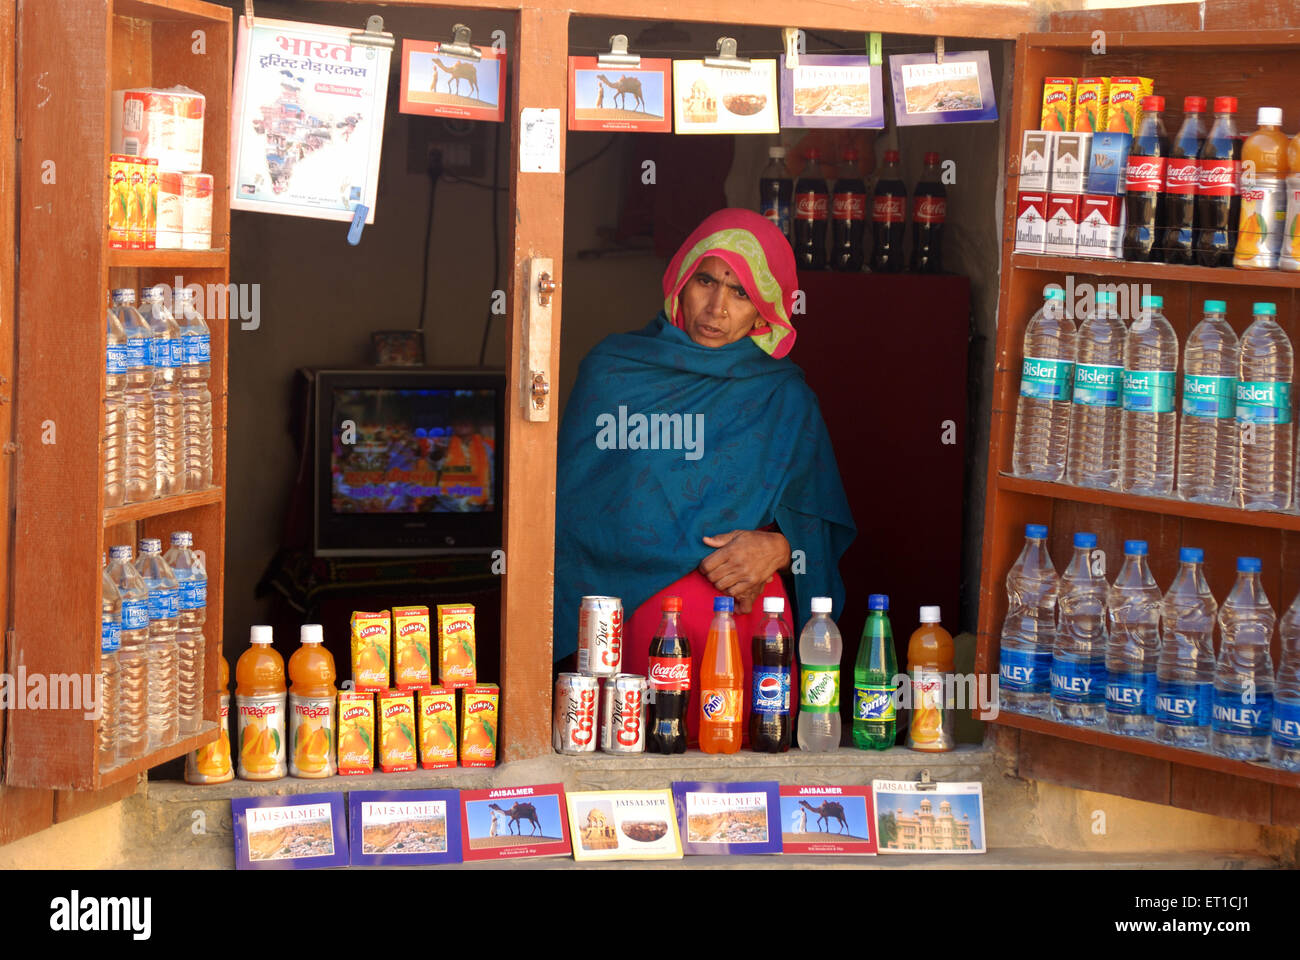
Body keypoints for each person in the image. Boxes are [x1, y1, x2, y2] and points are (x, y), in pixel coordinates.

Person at [553, 207, 856, 744]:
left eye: (741, 293)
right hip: (626, 629)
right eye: (706, 281)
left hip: (742, 623)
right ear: (679, 283)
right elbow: (564, 516)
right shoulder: (613, 372)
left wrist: (780, 549)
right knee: (632, 783)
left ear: (764, 311)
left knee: (746, 789)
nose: (717, 308)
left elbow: (821, 522)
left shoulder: (782, 398)